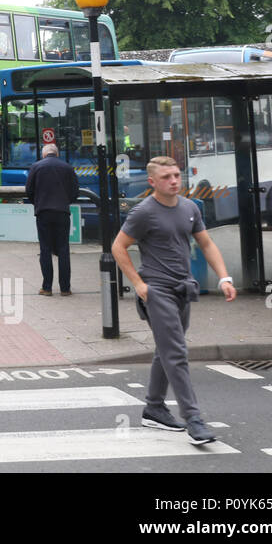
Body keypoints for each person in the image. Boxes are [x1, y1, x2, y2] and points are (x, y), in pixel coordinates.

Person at [111, 156, 237, 445]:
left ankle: (154, 408)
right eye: (167, 177)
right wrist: (140, 285)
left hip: (184, 289)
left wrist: (224, 278)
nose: (174, 181)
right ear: (153, 182)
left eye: (177, 175)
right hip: (158, 291)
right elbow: (119, 246)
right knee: (176, 353)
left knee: (165, 350)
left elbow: (206, 243)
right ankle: (194, 419)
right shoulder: (144, 212)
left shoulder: (190, 208)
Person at [25, 144, 80, 295]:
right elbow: (75, 191)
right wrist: (65, 201)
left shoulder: (36, 167)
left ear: (44, 154)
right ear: (57, 154)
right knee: (63, 249)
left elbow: (29, 190)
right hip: (62, 212)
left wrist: (38, 203)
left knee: (45, 249)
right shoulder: (67, 167)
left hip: (43, 212)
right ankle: (65, 288)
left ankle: (47, 287)